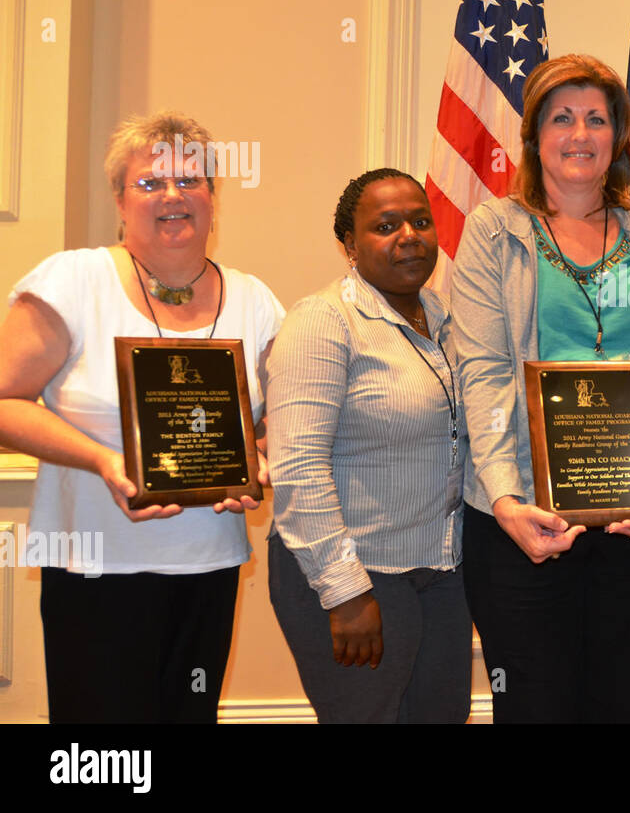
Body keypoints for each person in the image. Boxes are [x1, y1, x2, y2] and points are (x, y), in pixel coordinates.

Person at [0, 110, 284, 722]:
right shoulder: (76, 278)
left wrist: (259, 458)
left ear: (213, 198)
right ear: (121, 201)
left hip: (209, 563)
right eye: (150, 183)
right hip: (98, 567)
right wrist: (104, 459)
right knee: (105, 753)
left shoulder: (255, 299)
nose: (173, 196)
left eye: (191, 180)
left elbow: (285, 417)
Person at [451, 54, 630, 723]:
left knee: (621, 704)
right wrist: (505, 500)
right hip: (523, 522)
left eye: (597, 118)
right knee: (535, 706)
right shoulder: (493, 230)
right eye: (562, 118)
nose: (580, 133)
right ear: (533, 137)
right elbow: (482, 371)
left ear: (619, 135)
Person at [265, 169, 470, 723]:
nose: (409, 235)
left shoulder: (449, 320)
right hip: (356, 574)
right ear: (350, 246)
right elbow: (297, 465)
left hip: (442, 572)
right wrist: (344, 591)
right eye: (385, 225)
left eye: (420, 221)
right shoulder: (323, 321)